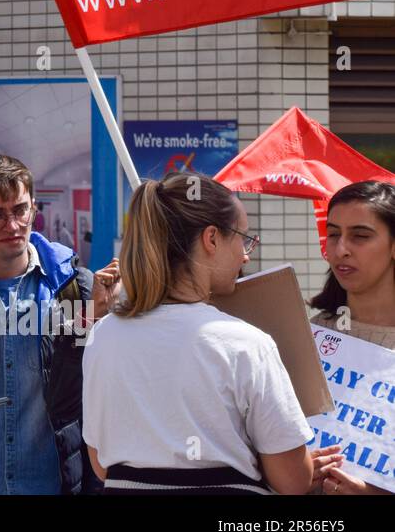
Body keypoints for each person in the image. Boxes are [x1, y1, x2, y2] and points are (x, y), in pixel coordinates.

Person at [83, 173, 315, 495]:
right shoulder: (246, 343)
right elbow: (293, 480)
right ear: (212, 239)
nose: (246, 255)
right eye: (242, 238)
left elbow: (101, 463)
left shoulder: (102, 336)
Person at [0, 154, 115, 495]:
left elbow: (93, 391)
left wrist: (101, 317)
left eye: (20, 210)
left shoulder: (76, 288)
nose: (13, 225)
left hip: (55, 484)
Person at [309, 180, 395, 495]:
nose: (340, 249)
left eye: (360, 236)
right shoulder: (309, 337)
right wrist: (297, 469)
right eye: (333, 234)